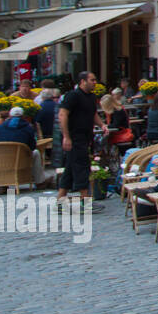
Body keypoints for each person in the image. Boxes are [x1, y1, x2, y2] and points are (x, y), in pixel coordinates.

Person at [56, 72, 102, 211]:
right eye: (92, 80)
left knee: (70, 169)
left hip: (85, 137)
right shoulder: (73, 96)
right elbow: (63, 114)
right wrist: (66, 136)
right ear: (83, 81)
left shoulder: (91, 97)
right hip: (75, 137)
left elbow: (93, 114)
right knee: (82, 167)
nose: (95, 82)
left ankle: (60, 202)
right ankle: (85, 201)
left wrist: (102, 125)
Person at [0, 105, 49, 187]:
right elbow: (32, 146)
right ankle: (39, 182)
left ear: (10, 116)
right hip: (20, 161)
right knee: (36, 153)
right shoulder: (28, 128)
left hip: (0, 161)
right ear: (23, 117)